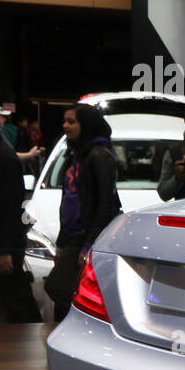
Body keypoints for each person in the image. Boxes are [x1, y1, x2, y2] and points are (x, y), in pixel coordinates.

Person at [44, 104, 122, 321]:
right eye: (64, 121)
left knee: (58, 287)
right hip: (70, 235)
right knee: (65, 292)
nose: (65, 125)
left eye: (71, 121)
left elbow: (104, 204)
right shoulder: (74, 154)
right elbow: (69, 199)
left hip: (84, 236)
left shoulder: (98, 156)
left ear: (85, 124)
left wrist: (89, 243)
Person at [0, 105, 41, 323]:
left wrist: (3, 249)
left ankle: (34, 347)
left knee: (18, 303)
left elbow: (7, 206)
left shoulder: (1, 157)